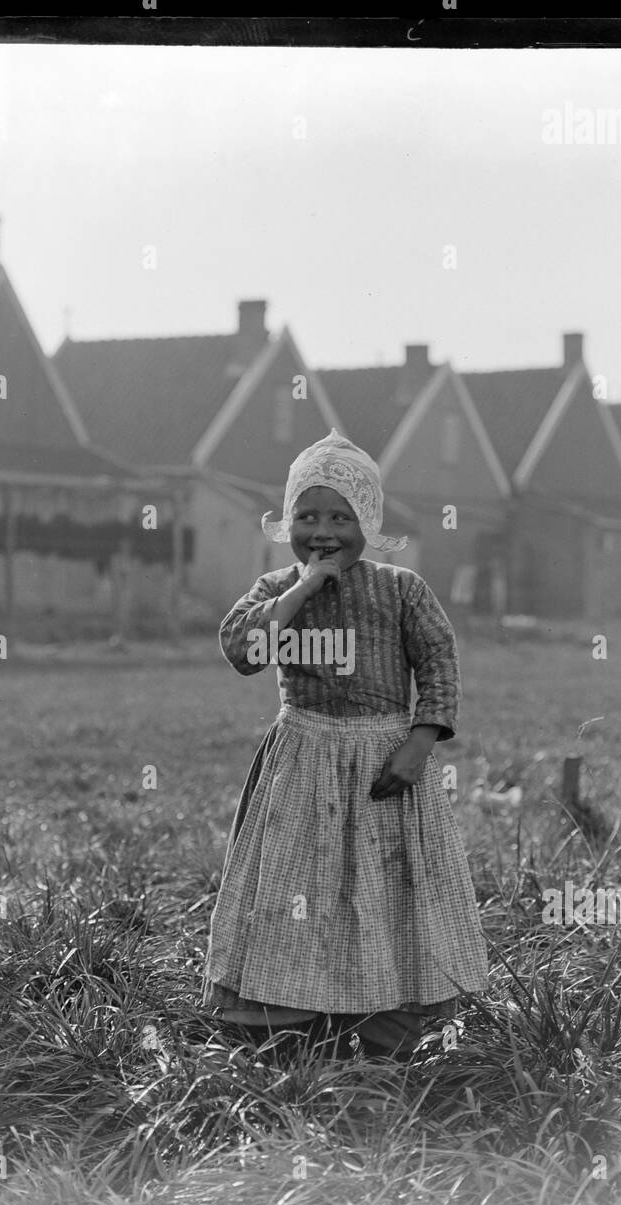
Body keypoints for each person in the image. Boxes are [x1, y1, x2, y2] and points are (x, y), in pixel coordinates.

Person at [202, 428, 488, 1058]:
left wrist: (419, 744)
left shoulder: (401, 589)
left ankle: (392, 1016)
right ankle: (285, 1016)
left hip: (384, 763)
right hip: (303, 760)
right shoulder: (275, 589)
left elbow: (438, 663)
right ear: (286, 522)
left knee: (387, 886)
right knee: (295, 886)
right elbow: (244, 650)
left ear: (370, 520)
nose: (323, 531)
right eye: (307, 516)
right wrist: (302, 588)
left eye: (340, 516)